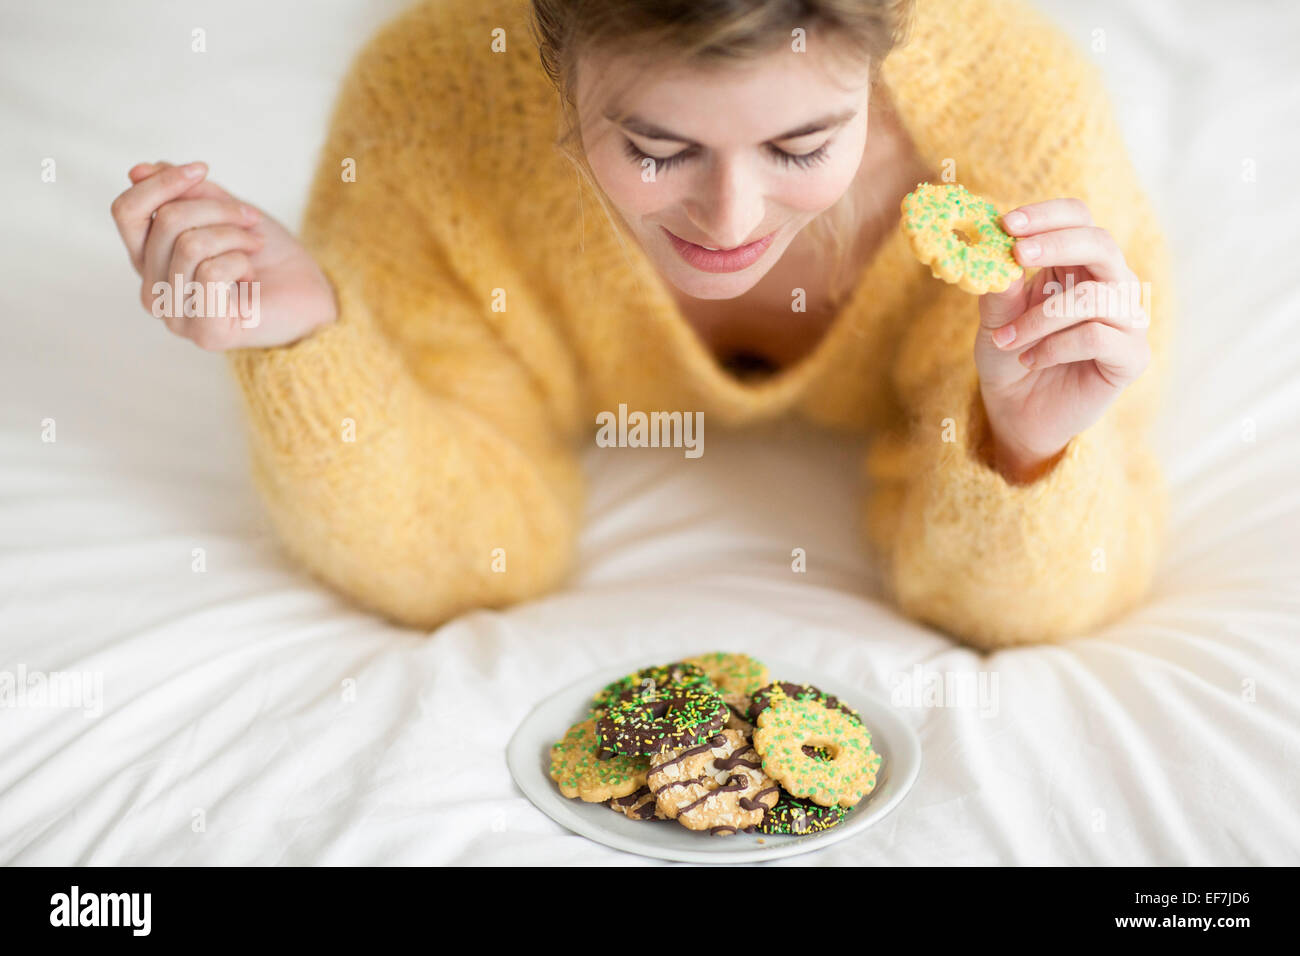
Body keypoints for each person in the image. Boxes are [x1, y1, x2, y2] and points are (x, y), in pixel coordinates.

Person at [108, 0, 1171, 651]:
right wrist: (307, 340)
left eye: (802, 145)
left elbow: (1023, 612)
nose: (730, 221)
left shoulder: (1023, 128)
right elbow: (470, 562)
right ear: (552, 62)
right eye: (655, 147)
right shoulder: (425, 114)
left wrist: (1027, 442)